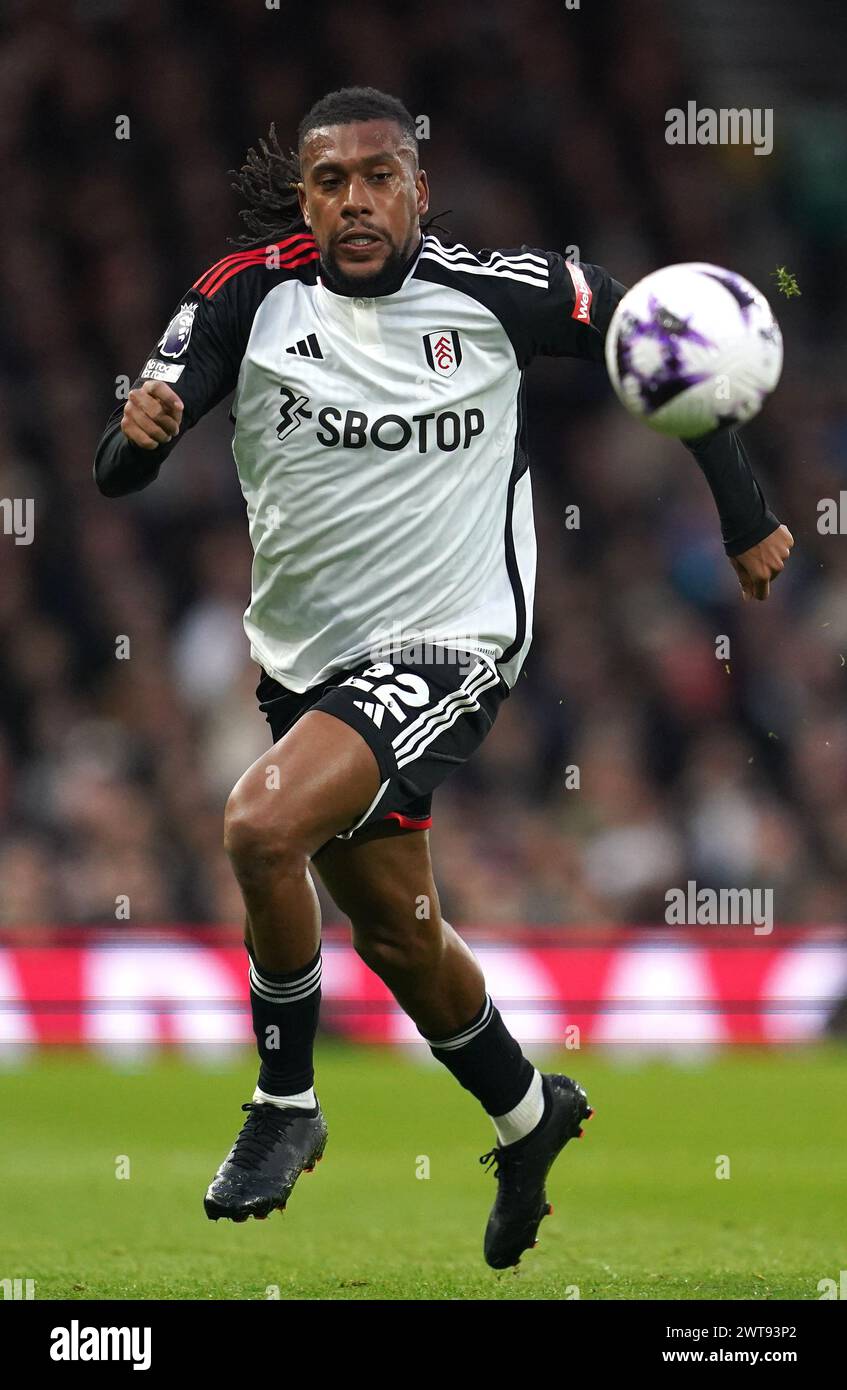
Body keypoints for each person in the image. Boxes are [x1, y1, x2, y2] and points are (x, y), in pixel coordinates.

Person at [93, 85, 794, 1269]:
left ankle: (284, 1104)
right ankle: (530, 1119)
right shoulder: (244, 296)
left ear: (420, 186)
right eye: (331, 182)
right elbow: (119, 468)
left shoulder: (497, 292)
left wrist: (745, 512)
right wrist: (142, 432)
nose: (356, 202)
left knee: (260, 824)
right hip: (302, 659)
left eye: (379, 177)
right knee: (401, 935)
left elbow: (653, 341)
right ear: (305, 197)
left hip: (451, 639)